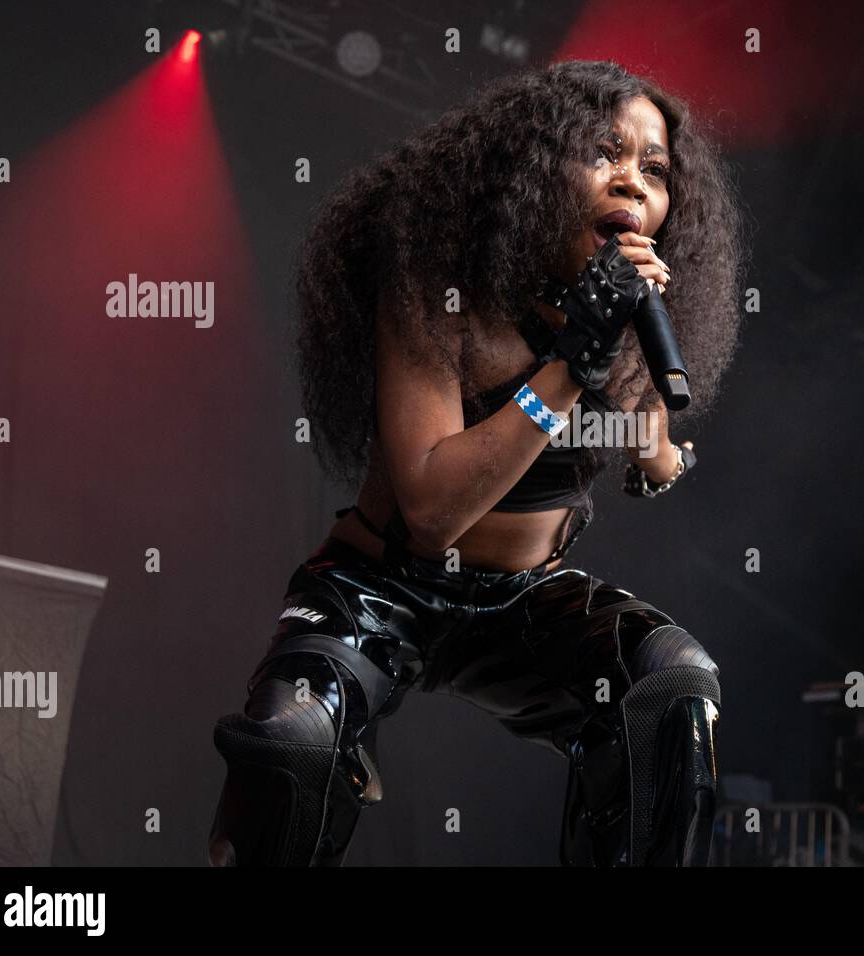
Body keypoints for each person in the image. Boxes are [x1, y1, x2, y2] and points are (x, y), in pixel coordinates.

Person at [207, 59, 745, 866]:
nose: (634, 184)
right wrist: (571, 363)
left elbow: (656, 452)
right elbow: (431, 516)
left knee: (674, 688)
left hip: (527, 599)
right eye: (606, 153)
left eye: (656, 170)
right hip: (382, 586)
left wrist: (658, 451)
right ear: (535, 167)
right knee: (290, 747)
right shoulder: (438, 289)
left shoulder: (626, 315)